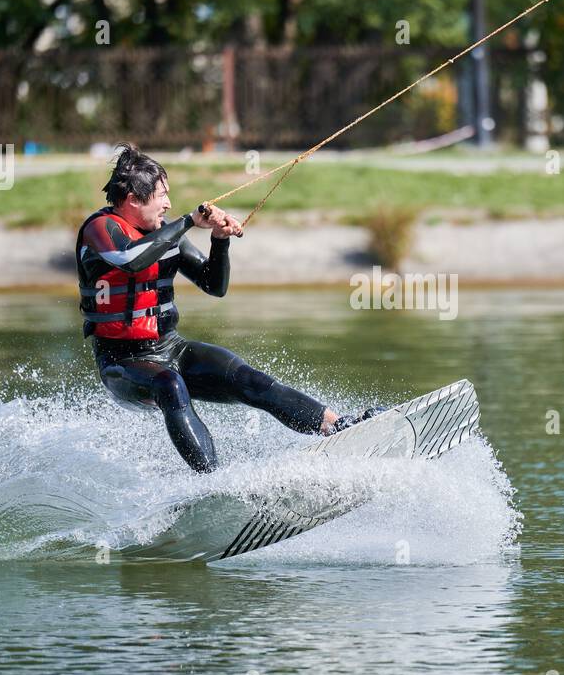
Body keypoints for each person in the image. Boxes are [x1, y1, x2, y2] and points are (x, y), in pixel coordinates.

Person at [75, 144, 378, 472]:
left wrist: (220, 240)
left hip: (170, 348)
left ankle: (335, 425)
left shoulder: (165, 235)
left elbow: (213, 285)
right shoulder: (100, 229)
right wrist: (189, 220)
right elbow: (130, 259)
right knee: (170, 386)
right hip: (122, 363)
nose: (169, 203)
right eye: (161, 195)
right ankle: (210, 482)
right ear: (133, 199)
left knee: (247, 378)